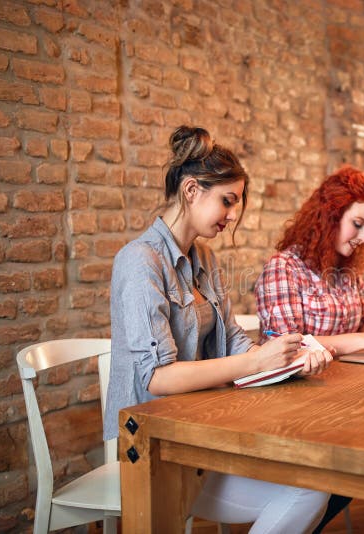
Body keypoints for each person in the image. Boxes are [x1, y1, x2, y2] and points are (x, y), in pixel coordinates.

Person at [104, 126, 331, 533]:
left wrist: (286, 360)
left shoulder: (204, 257)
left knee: (313, 481)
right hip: (148, 448)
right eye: (227, 201)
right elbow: (157, 378)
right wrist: (253, 362)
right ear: (191, 190)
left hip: (198, 431)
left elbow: (234, 340)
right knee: (307, 488)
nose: (232, 215)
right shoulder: (139, 262)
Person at [254, 165, 364, 534]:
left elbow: (363, 322)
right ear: (331, 216)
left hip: (343, 395)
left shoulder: (344, 269)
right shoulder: (283, 269)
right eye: (358, 224)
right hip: (299, 407)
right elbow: (289, 350)